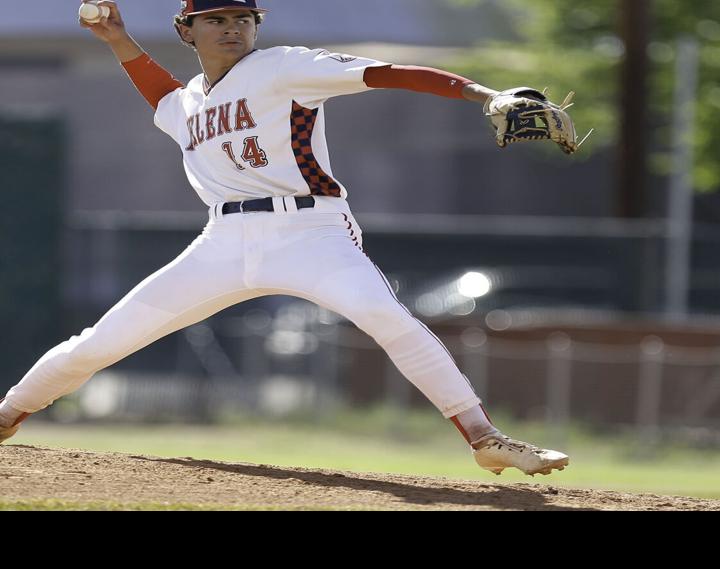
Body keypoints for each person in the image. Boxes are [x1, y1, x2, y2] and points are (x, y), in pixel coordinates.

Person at [0, 0, 569, 477]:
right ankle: (7, 414)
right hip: (222, 240)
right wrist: (117, 39)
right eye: (216, 19)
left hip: (310, 231)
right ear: (186, 30)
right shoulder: (185, 103)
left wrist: (484, 94)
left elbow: (386, 73)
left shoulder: (284, 67)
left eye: (243, 18)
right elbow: (163, 96)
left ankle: (484, 437)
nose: (232, 28)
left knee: (387, 317)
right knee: (100, 343)